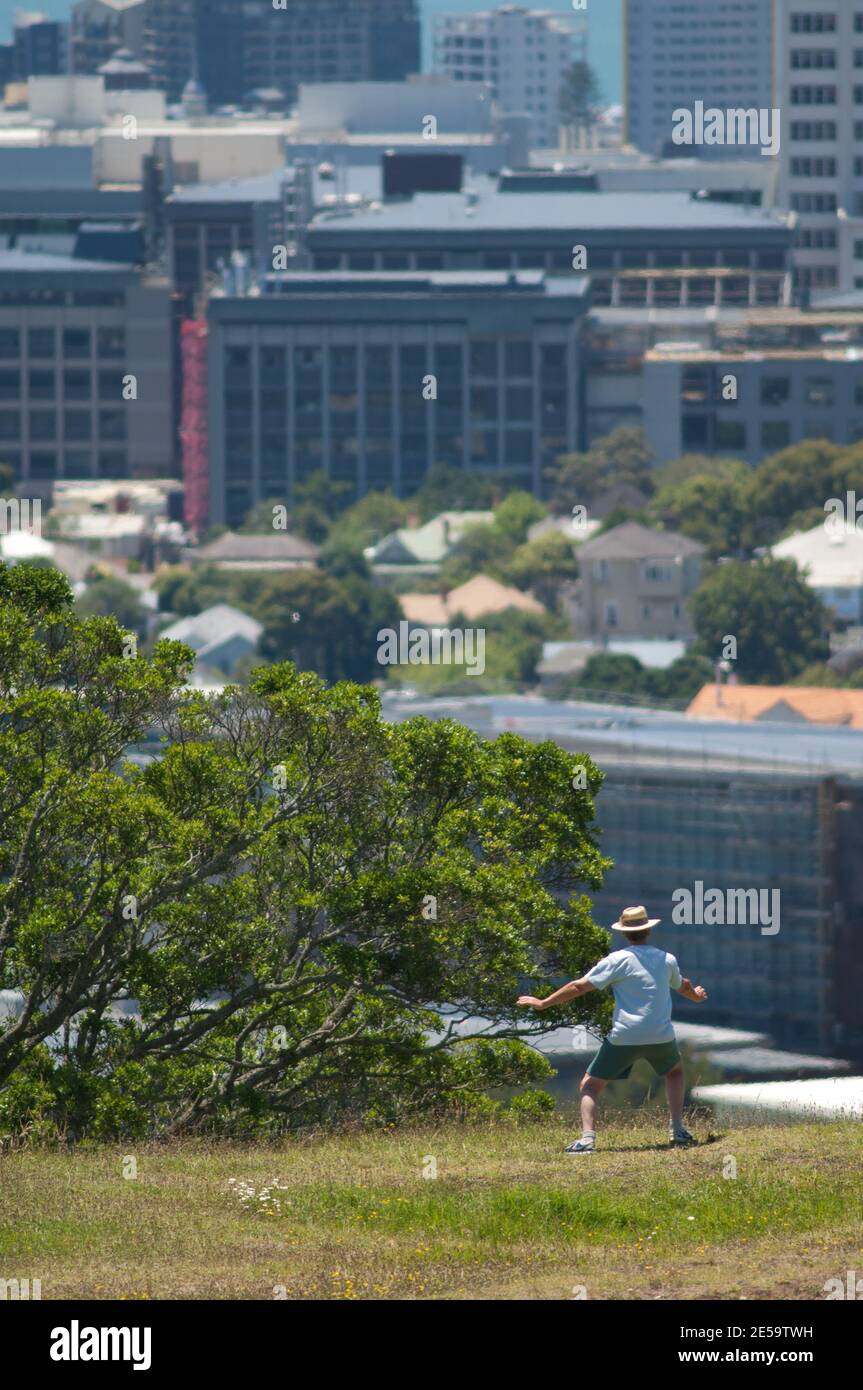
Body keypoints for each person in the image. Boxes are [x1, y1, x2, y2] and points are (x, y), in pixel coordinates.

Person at [517, 904, 708, 1152]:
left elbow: (578, 986)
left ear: (624, 933)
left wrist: (543, 1003)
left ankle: (587, 1140)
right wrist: (696, 996)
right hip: (660, 1034)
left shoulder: (617, 960)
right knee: (675, 1072)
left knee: (590, 1085)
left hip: (625, 1035)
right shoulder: (666, 958)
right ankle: (678, 1130)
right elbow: (683, 985)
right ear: (648, 930)